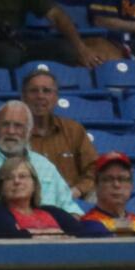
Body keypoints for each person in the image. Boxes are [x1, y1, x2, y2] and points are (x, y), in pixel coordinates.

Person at [0, 101, 81, 227]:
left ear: (29, 131)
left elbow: (71, 210)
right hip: (2, 240)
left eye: (18, 126)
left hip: (54, 240)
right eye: (5, 125)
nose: (11, 131)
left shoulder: (44, 165)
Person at [0, 155, 98, 239]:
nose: (16, 181)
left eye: (23, 176)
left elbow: (82, 233)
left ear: (34, 184)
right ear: (0, 187)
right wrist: (55, 233)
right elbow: (15, 238)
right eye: (9, 178)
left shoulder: (52, 212)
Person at [22, 68, 98, 199]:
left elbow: (94, 168)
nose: (40, 96)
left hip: (72, 198)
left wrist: (79, 190)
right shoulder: (15, 133)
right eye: (34, 91)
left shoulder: (73, 130)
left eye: (47, 91)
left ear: (56, 98)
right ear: (23, 97)